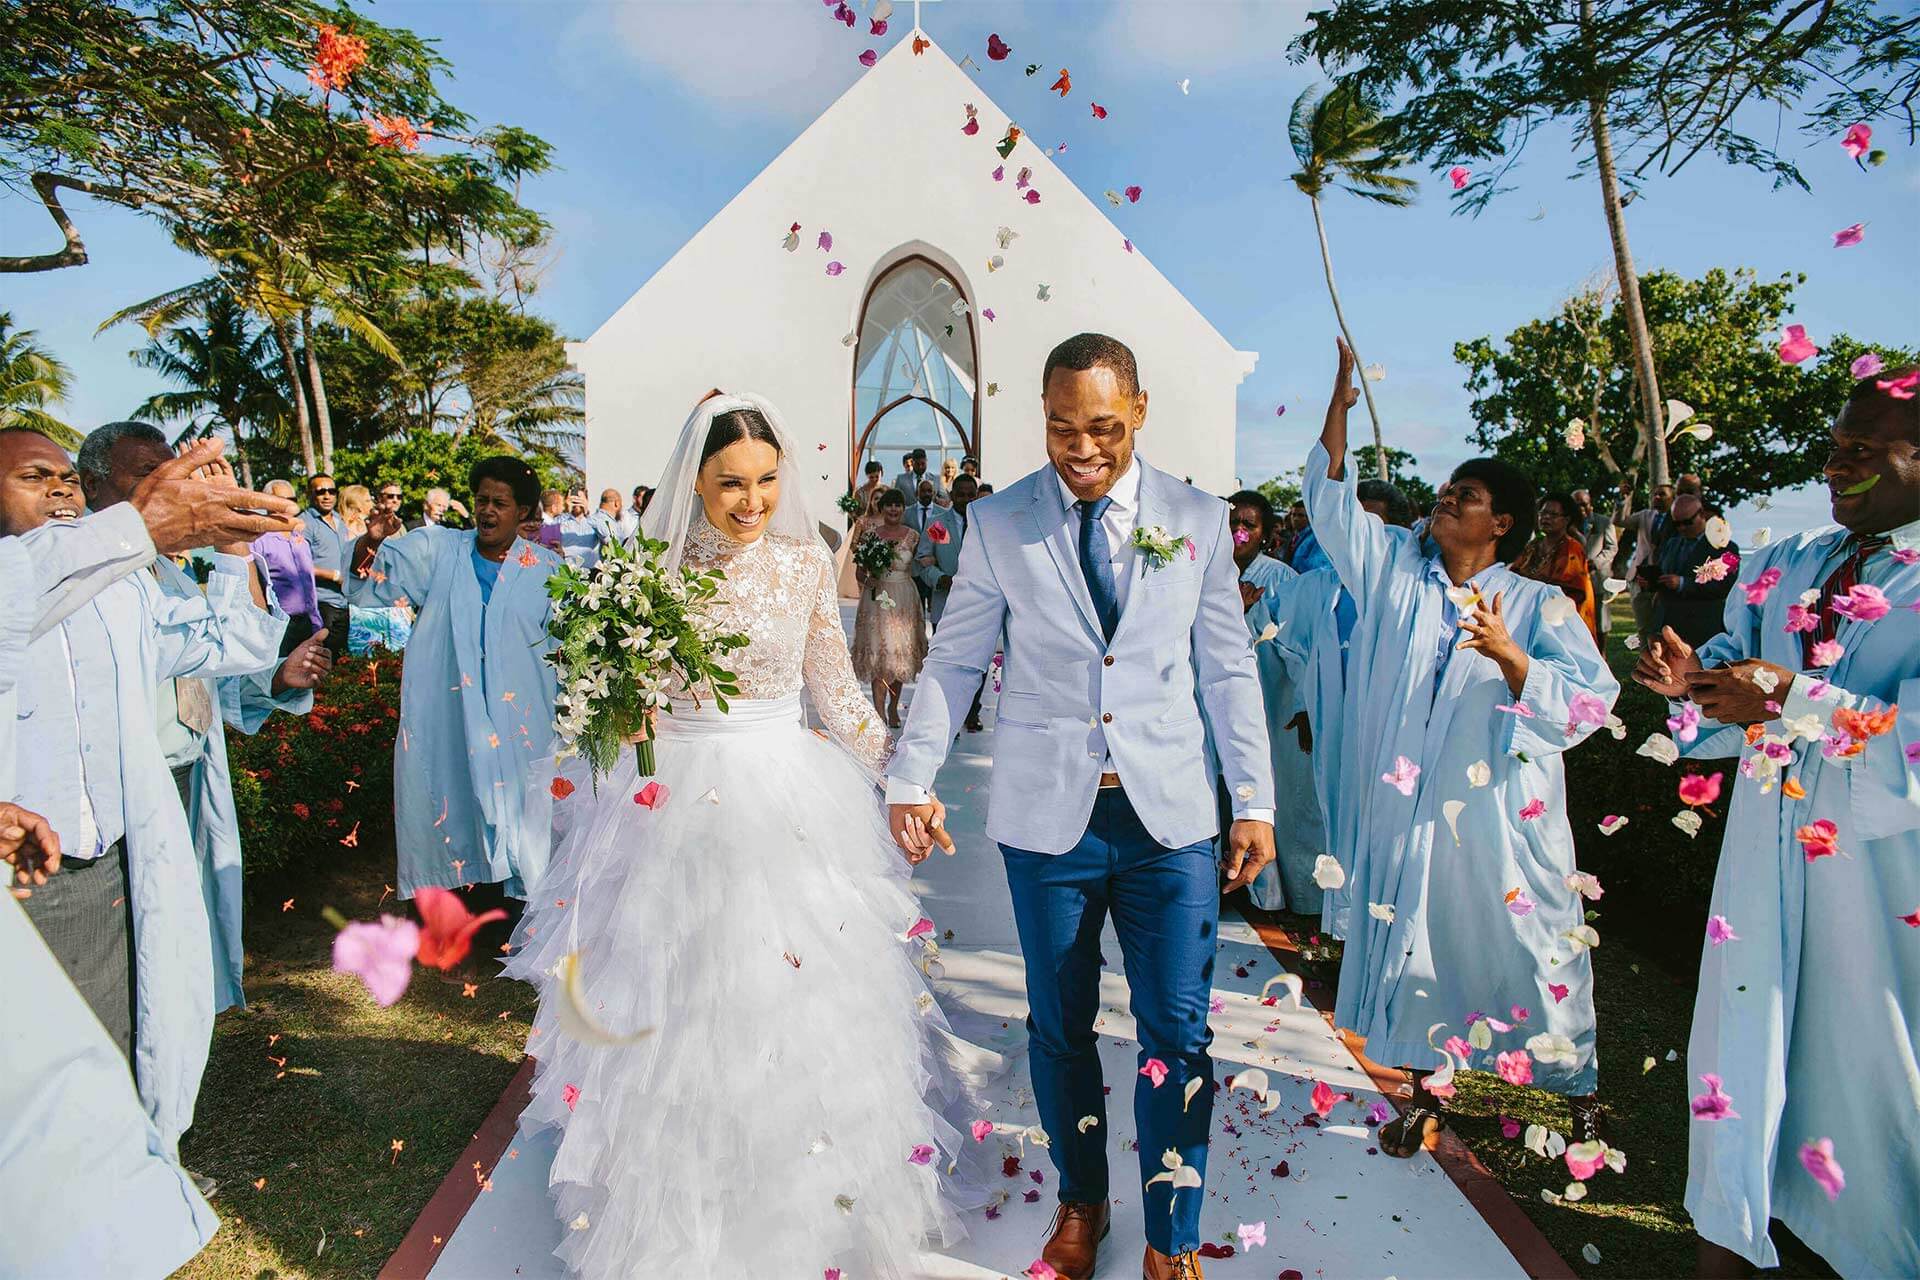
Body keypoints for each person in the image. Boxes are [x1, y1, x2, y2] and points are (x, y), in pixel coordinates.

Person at [505, 394, 995, 1277]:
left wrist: (906, 782)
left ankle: (804, 1207)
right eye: (731, 483)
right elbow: (622, 699)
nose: (751, 500)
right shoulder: (651, 566)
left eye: (767, 480)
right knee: (683, 1005)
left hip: (786, 795)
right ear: (694, 481)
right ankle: (681, 1217)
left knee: (791, 1005)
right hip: (677, 803)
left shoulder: (806, 562)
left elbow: (837, 692)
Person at [887, 333, 1276, 1280]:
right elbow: (955, 656)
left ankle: (1173, 1237)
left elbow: (1226, 668)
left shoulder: (1197, 517)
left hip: (1168, 823)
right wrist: (911, 774)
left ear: (1139, 409)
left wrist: (1255, 799)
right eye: (1062, 427)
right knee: (1059, 1027)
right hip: (1047, 822)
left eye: (1103, 425)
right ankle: (1081, 1202)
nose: (1083, 447)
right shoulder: (1001, 521)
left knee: (1177, 1030)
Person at [1633, 372, 1920, 1280]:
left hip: (1878, 892)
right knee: (1742, 1060)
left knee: (1875, 1088)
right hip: (1762, 863)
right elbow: (1737, 667)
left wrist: (1794, 696)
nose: (1834, 464)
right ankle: (1734, 1240)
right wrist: (1694, 680)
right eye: (1836, 445)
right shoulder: (1794, 559)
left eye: (1863, 451)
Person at [1304, 339, 1617, 1160]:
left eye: (1465, 495)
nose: (1446, 499)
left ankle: (1575, 1089)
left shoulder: (1538, 602)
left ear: (1500, 523)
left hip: (1501, 819)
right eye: (1447, 490)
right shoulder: (1393, 572)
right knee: (1411, 932)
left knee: (1533, 941)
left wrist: (1512, 657)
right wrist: (1338, 404)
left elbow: (1592, 703)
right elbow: (1330, 505)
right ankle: (1419, 1091)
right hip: (1409, 813)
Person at [1, 428, 290, 1164]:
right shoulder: (18, 579)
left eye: (69, 477)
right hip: (23, 884)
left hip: (114, 871)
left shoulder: (119, 590)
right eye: (38, 477)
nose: (63, 490)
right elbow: (27, 589)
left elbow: (230, 642)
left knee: (117, 1050)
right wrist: (140, 527)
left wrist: (230, 545)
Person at [78, 423, 331, 1017]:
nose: (174, 486)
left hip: (188, 775)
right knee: (129, 943)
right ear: (91, 486)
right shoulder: (94, 579)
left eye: (178, 472)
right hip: (127, 791)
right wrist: (231, 546)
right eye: (148, 474)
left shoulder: (165, 569)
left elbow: (216, 660)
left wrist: (276, 676)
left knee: (178, 929)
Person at [348, 456, 563, 901]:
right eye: (481, 500)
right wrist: (369, 542)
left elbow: (567, 647)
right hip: (448, 714)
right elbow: (372, 585)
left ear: (523, 512)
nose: (487, 511)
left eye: (500, 503)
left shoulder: (548, 571)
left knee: (524, 817)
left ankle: (522, 913)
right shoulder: (438, 551)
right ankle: (454, 913)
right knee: (451, 803)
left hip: (521, 718)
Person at [1228, 489, 1326, 916]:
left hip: (1272, 699)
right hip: (1217, 700)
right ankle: (1224, 878)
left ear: (1266, 533)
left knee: (1274, 794)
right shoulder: (1205, 570)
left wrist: (1303, 705)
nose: (1239, 531)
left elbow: (1296, 648)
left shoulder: (1282, 578)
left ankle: (1274, 890)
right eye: (1233, 522)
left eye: (1249, 524)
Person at [851, 487, 927, 728]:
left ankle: (893, 708)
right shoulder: (871, 536)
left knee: (898, 656)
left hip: (904, 597)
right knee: (879, 655)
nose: (893, 509)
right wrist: (868, 579)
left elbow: (921, 564)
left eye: (898, 505)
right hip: (877, 599)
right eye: (889, 505)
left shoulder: (913, 536)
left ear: (903, 509)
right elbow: (859, 572)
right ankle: (878, 711)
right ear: (881, 509)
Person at [1650, 494, 1738, 649]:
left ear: (1702, 515)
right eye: (1677, 524)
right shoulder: (1672, 544)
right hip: (1668, 625)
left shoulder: (1725, 548)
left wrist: (1683, 583)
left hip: (1702, 629)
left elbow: (1723, 587)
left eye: (1687, 522)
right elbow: (1663, 572)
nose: (1682, 528)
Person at [1513, 492, 1600, 641]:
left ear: (1566, 520)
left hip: (1564, 625)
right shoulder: (1533, 546)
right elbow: (1515, 574)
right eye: (1543, 513)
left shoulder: (1572, 548)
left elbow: (1571, 591)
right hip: (1532, 617)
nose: (1545, 517)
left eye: (1553, 514)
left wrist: (1532, 585)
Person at [251, 479, 323, 653]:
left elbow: (309, 582)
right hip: (280, 625)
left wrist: (316, 621)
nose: (288, 506)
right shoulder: (258, 540)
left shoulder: (300, 539)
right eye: (282, 501)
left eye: (292, 499)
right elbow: (254, 584)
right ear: (267, 502)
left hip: (307, 623)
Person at [301, 473, 352, 661]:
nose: (327, 496)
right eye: (321, 491)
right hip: (321, 602)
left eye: (331, 491)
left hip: (343, 601)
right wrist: (334, 575)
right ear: (310, 494)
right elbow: (300, 565)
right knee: (321, 657)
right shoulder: (305, 522)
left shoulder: (340, 521)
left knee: (341, 658)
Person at [917, 473, 974, 629]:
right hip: (944, 606)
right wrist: (940, 579)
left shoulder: (985, 526)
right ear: (951, 495)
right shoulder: (938, 524)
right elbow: (922, 562)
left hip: (977, 608)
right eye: (961, 495)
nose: (966, 499)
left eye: (971, 495)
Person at [1621, 478, 1676, 638]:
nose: (1657, 497)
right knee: (1643, 624)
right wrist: (1622, 501)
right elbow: (1621, 521)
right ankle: (1645, 656)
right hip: (1640, 575)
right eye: (1655, 494)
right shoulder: (1645, 515)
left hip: (1663, 576)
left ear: (1672, 498)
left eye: (1662, 495)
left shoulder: (1677, 520)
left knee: (1663, 625)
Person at [1571, 488, 1618, 636]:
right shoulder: (1567, 525)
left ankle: (1602, 655)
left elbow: (1612, 548)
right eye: (1576, 505)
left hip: (1598, 577)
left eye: (1584, 504)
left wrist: (1596, 563)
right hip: (1574, 580)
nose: (1581, 508)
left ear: (1590, 504)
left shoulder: (1604, 522)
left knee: (1600, 623)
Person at [556, 487, 611, 571]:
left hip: (591, 571)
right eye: (574, 499)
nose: (577, 503)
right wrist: (566, 511)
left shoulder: (594, 521)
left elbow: (606, 537)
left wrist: (587, 513)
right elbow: (551, 532)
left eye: (580, 499)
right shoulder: (561, 520)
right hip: (567, 570)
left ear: (586, 501)